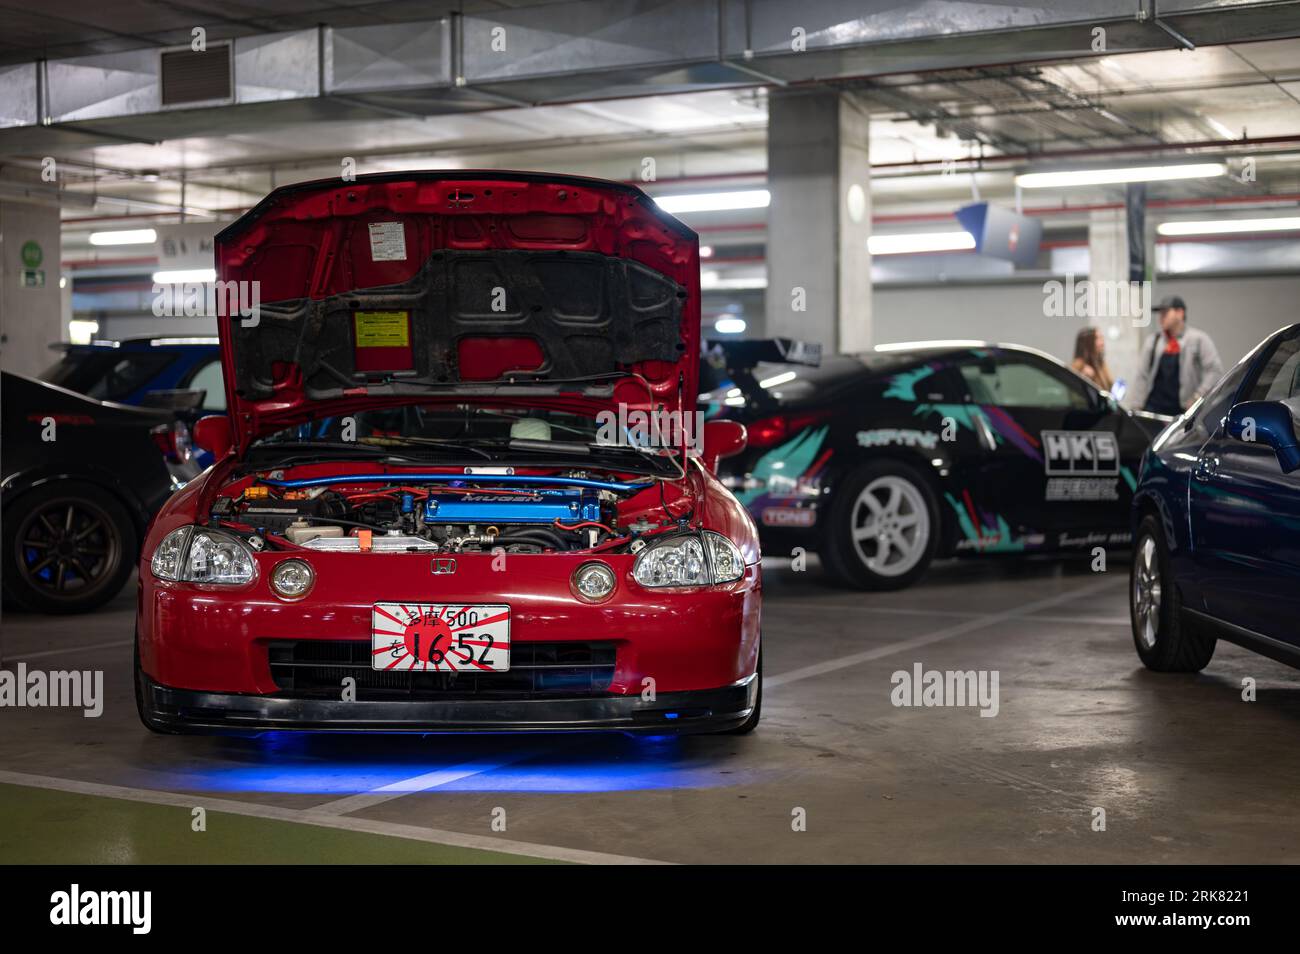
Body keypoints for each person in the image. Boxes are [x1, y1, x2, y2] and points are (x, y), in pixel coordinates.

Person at [1133, 295, 1224, 416]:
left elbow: (1214, 370)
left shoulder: (1198, 339)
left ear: (1180, 313)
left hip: (1182, 413)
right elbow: (1142, 376)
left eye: (1165, 313)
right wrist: (1136, 407)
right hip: (1153, 410)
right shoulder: (1153, 341)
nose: (1161, 318)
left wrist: (1197, 397)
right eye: (1160, 313)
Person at [1070, 326, 1114, 393]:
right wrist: (1084, 378)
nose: (1102, 343)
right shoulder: (1079, 366)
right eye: (1097, 338)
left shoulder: (1100, 363)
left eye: (1101, 338)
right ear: (1087, 341)